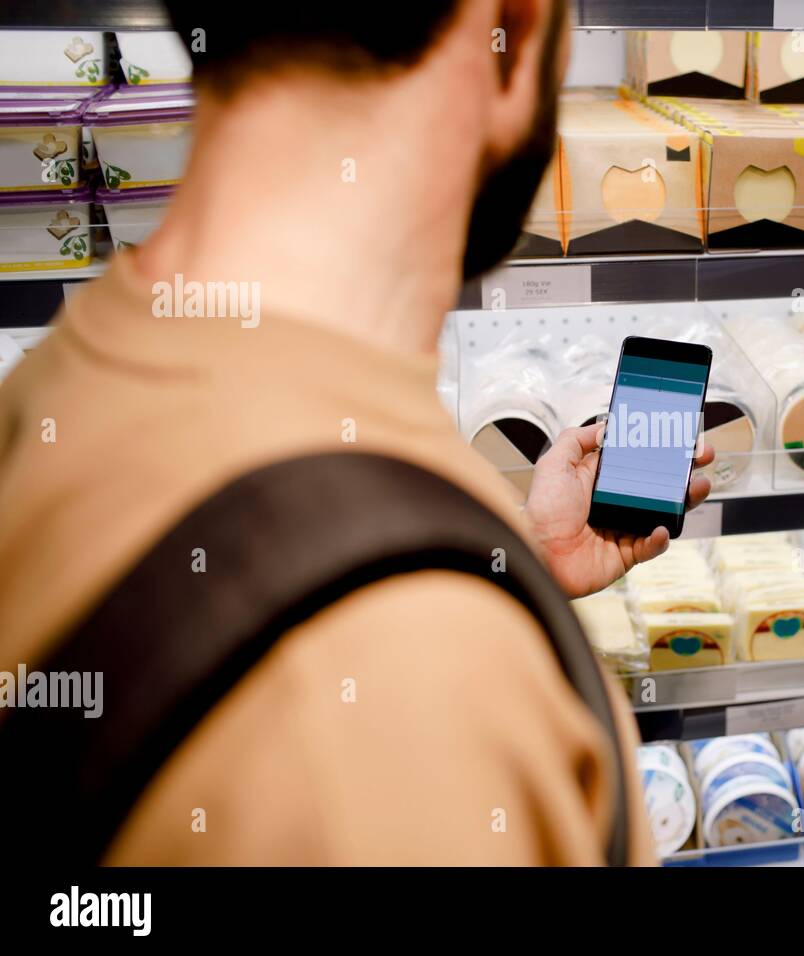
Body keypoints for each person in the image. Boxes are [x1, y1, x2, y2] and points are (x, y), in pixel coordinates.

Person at [0, 0, 712, 864]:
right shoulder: (415, 696)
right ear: (515, 37)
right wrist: (457, 618)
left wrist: (506, 559)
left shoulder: (49, 394)